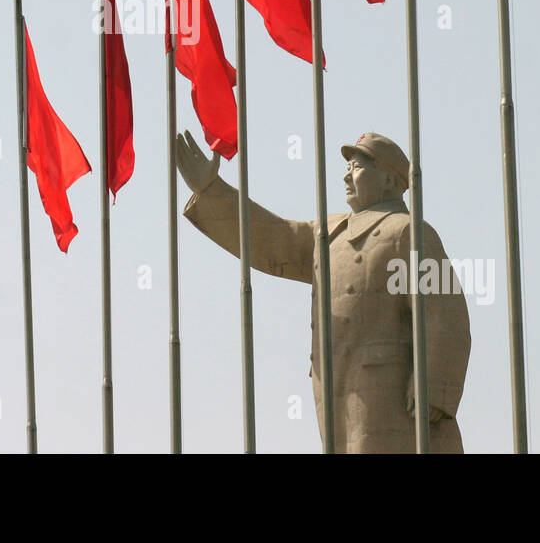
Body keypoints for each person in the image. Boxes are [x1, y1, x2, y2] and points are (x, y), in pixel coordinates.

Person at [176, 130, 471, 453]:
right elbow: (273, 240)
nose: (346, 175)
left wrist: (434, 387)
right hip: (336, 387)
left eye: (357, 167)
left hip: (389, 392)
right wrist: (211, 190)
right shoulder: (329, 235)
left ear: (388, 179)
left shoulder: (409, 232)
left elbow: (445, 314)